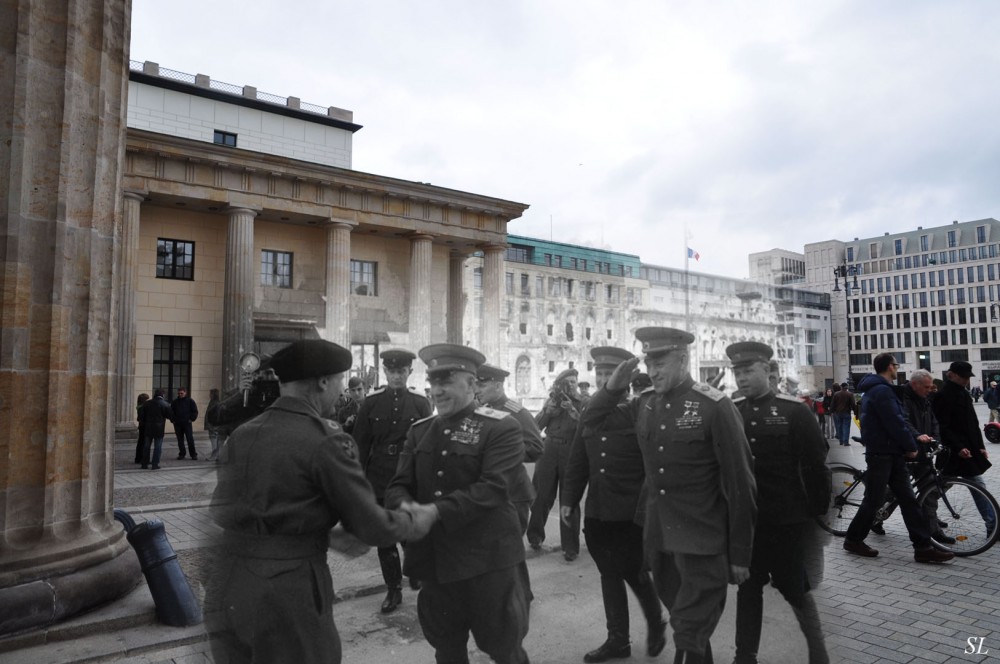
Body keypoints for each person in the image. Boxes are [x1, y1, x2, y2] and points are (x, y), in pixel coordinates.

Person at [206, 339, 437, 664]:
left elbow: (225, 509)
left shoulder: (242, 435)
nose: (343, 390)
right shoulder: (325, 439)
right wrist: (415, 521)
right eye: (341, 380)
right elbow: (370, 527)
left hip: (227, 585)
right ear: (324, 382)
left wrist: (320, 532)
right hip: (288, 589)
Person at [584, 327, 757, 664]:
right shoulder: (646, 403)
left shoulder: (714, 406)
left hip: (702, 543)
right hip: (661, 540)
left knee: (690, 630)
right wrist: (613, 386)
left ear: (683, 360)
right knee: (685, 623)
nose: (653, 371)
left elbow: (741, 484)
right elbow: (592, 419)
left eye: (660, 363)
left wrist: (741, 553)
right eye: (649, 364)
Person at [385, 343, 532, 664]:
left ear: (471, 383)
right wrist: (406, 508)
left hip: (488, 565)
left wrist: (434, 512)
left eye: (446, 382)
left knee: (504, 649)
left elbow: (494, 488)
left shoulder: (501, 427)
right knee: (447, 649)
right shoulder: (420, 431)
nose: (436, 391)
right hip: (437, 564)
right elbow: (397, 485)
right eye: (433, 382)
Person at [726, 342, 831, 664]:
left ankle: (818, 654)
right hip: (748, 524)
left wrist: (813, 514)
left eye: (748, 371)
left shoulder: (794, 411)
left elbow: (816, 465)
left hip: (786, 522)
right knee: (747, 589)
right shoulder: (733, 410)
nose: (742, 378)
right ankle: (744, 657)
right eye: (737, 372)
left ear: (767, 370)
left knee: (795, 589)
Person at [560, 346, 666, 663]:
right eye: (601, 373)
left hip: (632, 511)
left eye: (611, 373)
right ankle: (618, 639)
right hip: (599, 509)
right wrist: (569, 499)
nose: (604, 379)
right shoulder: (591, 411)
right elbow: (578, 459)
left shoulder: (639, 408)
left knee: (634, 571)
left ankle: (655, 622)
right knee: (608, 572)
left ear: (626, 377)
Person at [842, 354, 955, 563]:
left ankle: (923, 547)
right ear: (889, 367)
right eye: (896, 364)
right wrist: (910, 446)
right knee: (874, 500)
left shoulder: (882, 389)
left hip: (891, 452)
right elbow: (895, 422)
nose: (897, 367)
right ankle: (853, 539)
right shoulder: (882, 390)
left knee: (908, 500)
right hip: (882, 453)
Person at [352, 349, 433, 613]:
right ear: (385, 372)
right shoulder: (371, 403)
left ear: (409, 372)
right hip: (378, 479)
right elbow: (361, 445)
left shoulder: (421, 404)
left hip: (408, 478)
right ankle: (393, 589)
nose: (397, 376)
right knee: (385, 537)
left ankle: (416, 568)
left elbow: (427, 446)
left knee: (411, 533)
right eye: (392, 371)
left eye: (402, 371)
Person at [879, 369, 953, 543]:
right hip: (906, 451)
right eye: (927, 387)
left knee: (928, 492)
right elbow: (903, 422)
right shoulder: (902, 399)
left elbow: (934, 422)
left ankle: (933, 531)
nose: (930, 390)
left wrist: (935, 440)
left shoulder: (924, 399)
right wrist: (917, 436)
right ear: (915, 384)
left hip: (923, 452)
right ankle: (875, 515)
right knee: (895, 492)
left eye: (931, 387)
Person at [475, 363, 544, 534]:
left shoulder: (517, 413)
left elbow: (536, 448)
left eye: (482, 385)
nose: (477, 390)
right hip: (488, 491)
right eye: (476, 385)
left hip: (513, 493)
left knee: (511, 544)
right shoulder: (481, 411)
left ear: (498, 386)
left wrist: (503, 452)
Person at [931, 361, 996, 534]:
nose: (966, 380)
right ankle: (925, 511)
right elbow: (943, 426)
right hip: (953, 451)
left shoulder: (964, 393)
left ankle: (992, 525)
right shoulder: (943, 395)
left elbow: (973, 423)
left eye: (968, 377)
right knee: (940, 486)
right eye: (963, 377)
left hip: (967, 450)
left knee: (970, 485)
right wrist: (958, 447)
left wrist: (980, 446)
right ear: (951, 374)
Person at [528, 367, 584, 560]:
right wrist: (548, 411)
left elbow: (588, 428)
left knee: (569, 498)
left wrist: (574, 412)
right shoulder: (552, 401)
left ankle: (570, 547)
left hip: (571, 450)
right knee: (541, 495)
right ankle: (535, 537)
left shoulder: (584, 402)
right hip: (549, 448)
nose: (571, 386)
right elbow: (535, 427)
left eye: (573, 382)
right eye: (566, 383)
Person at [139, 389, 173, 470]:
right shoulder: (165, 404)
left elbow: (142, 416)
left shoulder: (147, 403)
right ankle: (155, 464)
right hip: (159, 428)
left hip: (148, 428)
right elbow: (170, 415)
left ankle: (144, 464)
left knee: (146, 446)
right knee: (157, 447)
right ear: (163, 395)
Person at [171, 386, 199, 460]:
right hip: (177, 424)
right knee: (180, 440)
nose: (180, 395)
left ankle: (193, 454)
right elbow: (171, 412)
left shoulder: (190, 401)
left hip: (187, 423)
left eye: (181, 393)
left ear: (185, 393)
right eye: (179, 393)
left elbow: (195, 411)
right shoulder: (175, 402)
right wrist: (173, 420)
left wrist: (191, 419)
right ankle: (182, 453)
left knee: (190, 439)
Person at [205, 388, 222, 461]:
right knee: (215, 441)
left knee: (214, 441)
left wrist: (212, 425)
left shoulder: (215, 403)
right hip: (213, 425)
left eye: (210, 393)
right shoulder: (213, 402)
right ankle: (217, 456)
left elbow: (215, 415)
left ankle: (214, 456)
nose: (209, 395)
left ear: (213, 394)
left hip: (213, 425)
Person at [133, 393, 150, 464]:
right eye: (147, 399)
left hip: (141, 426)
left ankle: (138, 458)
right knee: (144, 443)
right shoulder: (143, 407)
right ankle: (142, 458)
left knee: (140, 442)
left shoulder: (139, 406)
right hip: (144, 426)